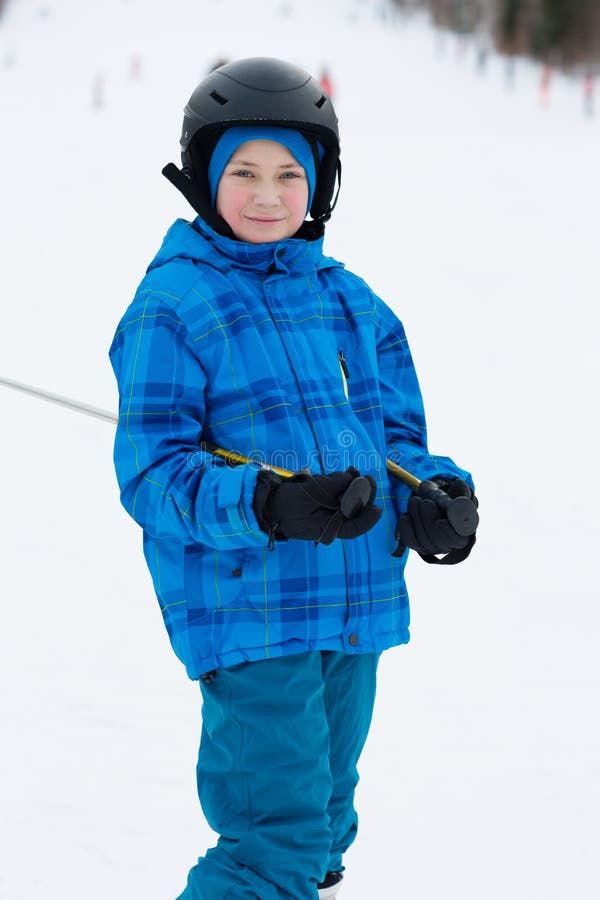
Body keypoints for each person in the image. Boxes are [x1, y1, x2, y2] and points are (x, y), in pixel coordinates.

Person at [109, 57, 478, 900]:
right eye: (243, 172)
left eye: (289, 174)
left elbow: (396, 438)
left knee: (324, 826)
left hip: (353, 609)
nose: (268, 195)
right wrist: (266, 503)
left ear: (321, 185)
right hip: (251, 613)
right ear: (203, 177)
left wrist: (433, 496)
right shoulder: (175, 305)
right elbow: (152, 473)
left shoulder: (351, 304)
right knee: (274, 840)